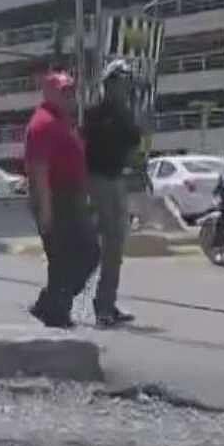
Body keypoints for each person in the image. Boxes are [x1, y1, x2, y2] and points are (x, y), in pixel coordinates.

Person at [23, 71, 98, 328]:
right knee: (80, 256)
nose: (70, 97)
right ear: (50, 93)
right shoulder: (43, 123)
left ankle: (51, 307)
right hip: (57, 197)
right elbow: (39, 169)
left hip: (70, 197)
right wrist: (46, 209)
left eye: (71, 92)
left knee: (68, 259)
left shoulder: (62, 121)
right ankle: (54, 309)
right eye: (64, 92)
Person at [84, 59, 141, 327]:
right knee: (105, 245)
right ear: (109, 84)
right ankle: (100, 305)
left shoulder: (127, 114)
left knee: (116, 246)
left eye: (127, 82)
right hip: (97, 181)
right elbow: (83, 150)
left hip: (116, 180)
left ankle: (107, 303)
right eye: (121, 81)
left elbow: (133, 146)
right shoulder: (94, 114)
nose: (125, 87)